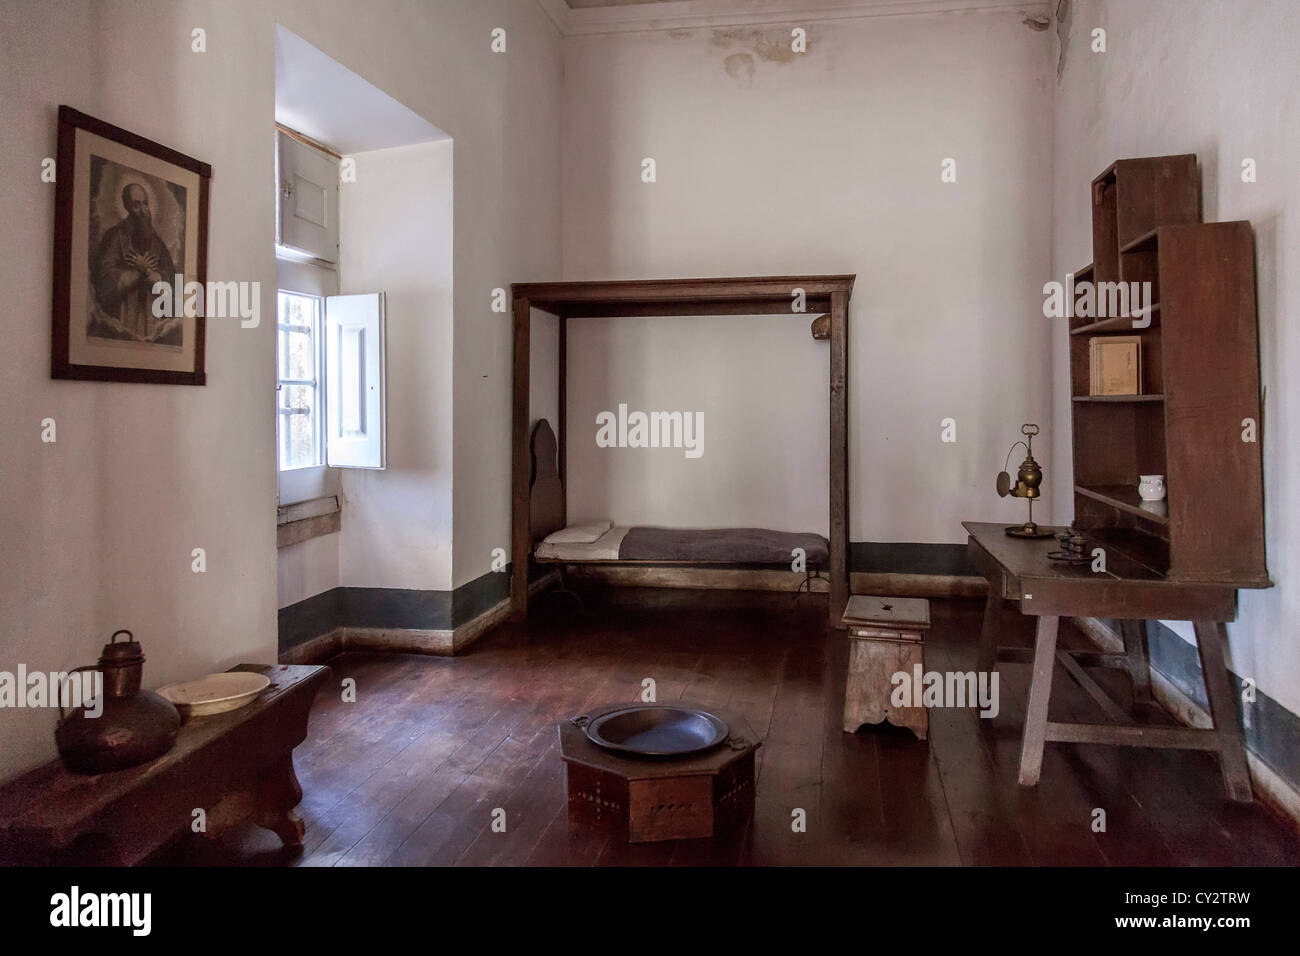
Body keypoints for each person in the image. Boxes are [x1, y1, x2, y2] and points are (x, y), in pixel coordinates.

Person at [91, 182, 176, 340]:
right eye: (136, 205)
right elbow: (103, 275)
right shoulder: (114, 237)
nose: (143, 211)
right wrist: (134, 274)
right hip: (122, 316)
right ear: (127, 207)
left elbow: (171, 279)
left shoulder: (158, 244)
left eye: (145, 204)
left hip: (152, 317)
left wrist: (152, 274)